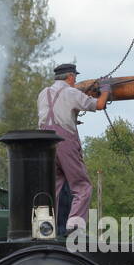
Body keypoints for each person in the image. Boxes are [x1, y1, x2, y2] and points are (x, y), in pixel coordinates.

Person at [37, 62, 110, 234]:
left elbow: (52, 116)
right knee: (82, 186)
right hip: (64, 142)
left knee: (52, 186)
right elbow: (99, 105)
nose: (75, 80)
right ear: (70, 77)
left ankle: (45, 226)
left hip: (44, 143)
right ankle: (74, 225)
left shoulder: (43, 93)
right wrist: (106, 89)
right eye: (74, 77)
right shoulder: (71, 92)